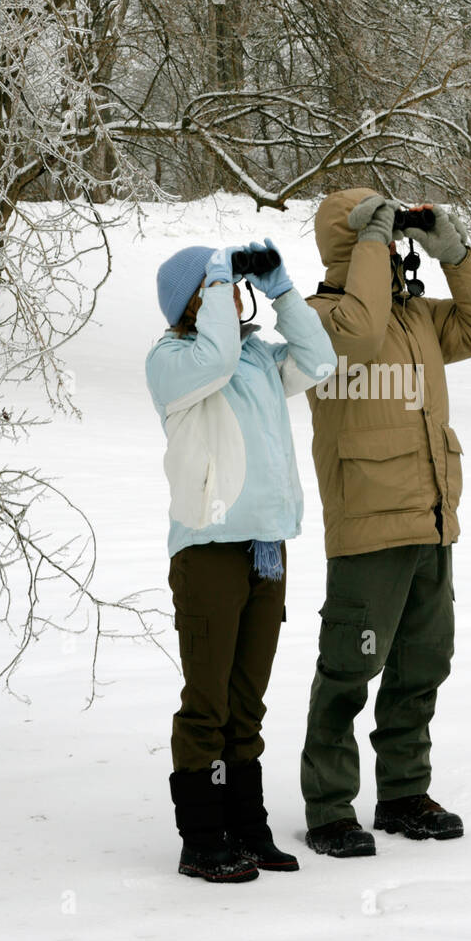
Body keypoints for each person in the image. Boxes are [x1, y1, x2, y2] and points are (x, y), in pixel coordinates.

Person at [300, 190, 471, 857]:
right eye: (378, 234)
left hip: (432, 521)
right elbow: (359, 334)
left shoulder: (417, 317)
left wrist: (455, 252)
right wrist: (367, 244)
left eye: (393, 236)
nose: (390, 246)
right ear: (347, 242)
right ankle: (330, 808)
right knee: (347, 672)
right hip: (367, 532)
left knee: (423, 665)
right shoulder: (318, 320)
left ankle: (403, 794)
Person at [145, 238, 335, 882]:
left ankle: (246, 826)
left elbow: (319, 360)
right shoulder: (173, 361)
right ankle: (201, 837)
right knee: (208, 702)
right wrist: (219, 280)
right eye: (217, 285)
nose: (231, 294)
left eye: (231, 284)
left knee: (246, 702)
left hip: (266, 545)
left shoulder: (255, 357)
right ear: (193, 299)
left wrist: (282, 291)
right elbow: (216, 354)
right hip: (208, 549)